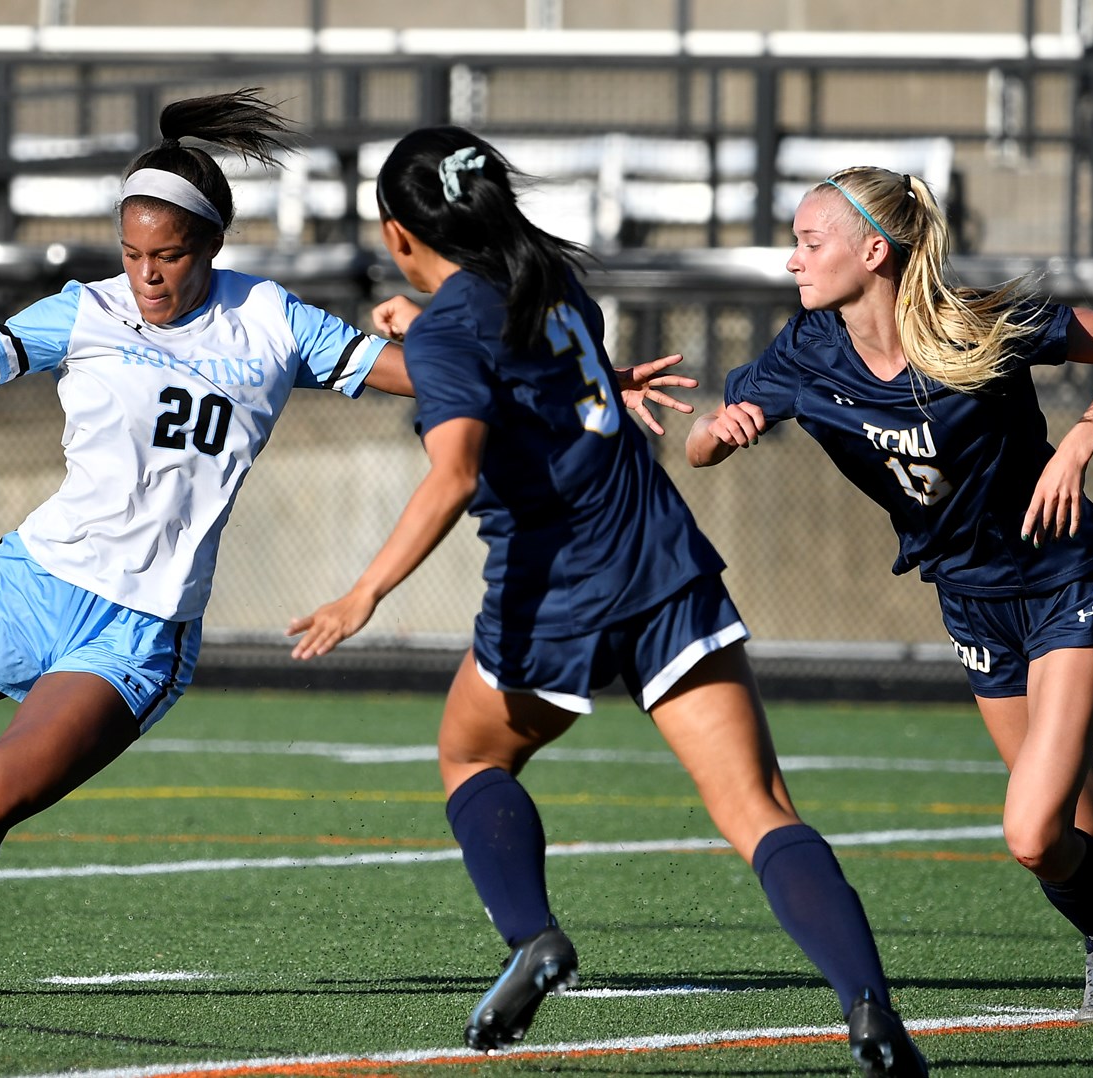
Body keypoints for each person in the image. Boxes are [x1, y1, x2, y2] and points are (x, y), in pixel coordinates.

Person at [0, 89, 427, 1000]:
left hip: (136, 631)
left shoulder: (274, 322)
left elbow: (423, 375)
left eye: (168, 255)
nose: (147, 275)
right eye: (131, 255)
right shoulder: (82, 311)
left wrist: (578, 379)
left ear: (211, 245)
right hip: (31, 582)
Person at [287, 130, 926, 1076]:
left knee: (470, 755)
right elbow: (532, 370)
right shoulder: (545, 274)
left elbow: (453, 470)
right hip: (661, 557)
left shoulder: (451, 324)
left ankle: (533, 937)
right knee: (757, 807)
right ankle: (870, 1007)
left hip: (559, 587)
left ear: (396, 233)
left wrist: (361, 592)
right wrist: (432, 322)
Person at [688, 164, 1093, 1024]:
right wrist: (714, 435)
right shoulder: (806, 352)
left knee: (1029, 834)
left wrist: (1077, 444)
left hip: (1064, 577)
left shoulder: (977, 321)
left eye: (810, 242)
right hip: (970, 602)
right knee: (1067, 836)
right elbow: (700, 442)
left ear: (872, 251)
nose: (792, 261)